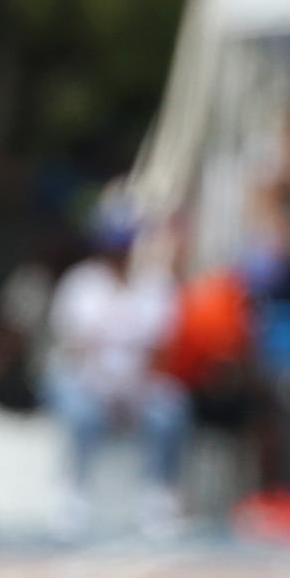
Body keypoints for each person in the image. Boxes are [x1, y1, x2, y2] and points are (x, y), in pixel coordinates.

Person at [42, 184, 186, 539]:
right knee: (77, 409)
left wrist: (133, 389)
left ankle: (158, 495)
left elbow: (161, 352)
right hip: (92, 383)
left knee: (170, 410)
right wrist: (104, 385)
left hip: (139, 386)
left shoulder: (156, 285)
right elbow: (74, 350)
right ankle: (72, 492)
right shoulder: (80, 285)